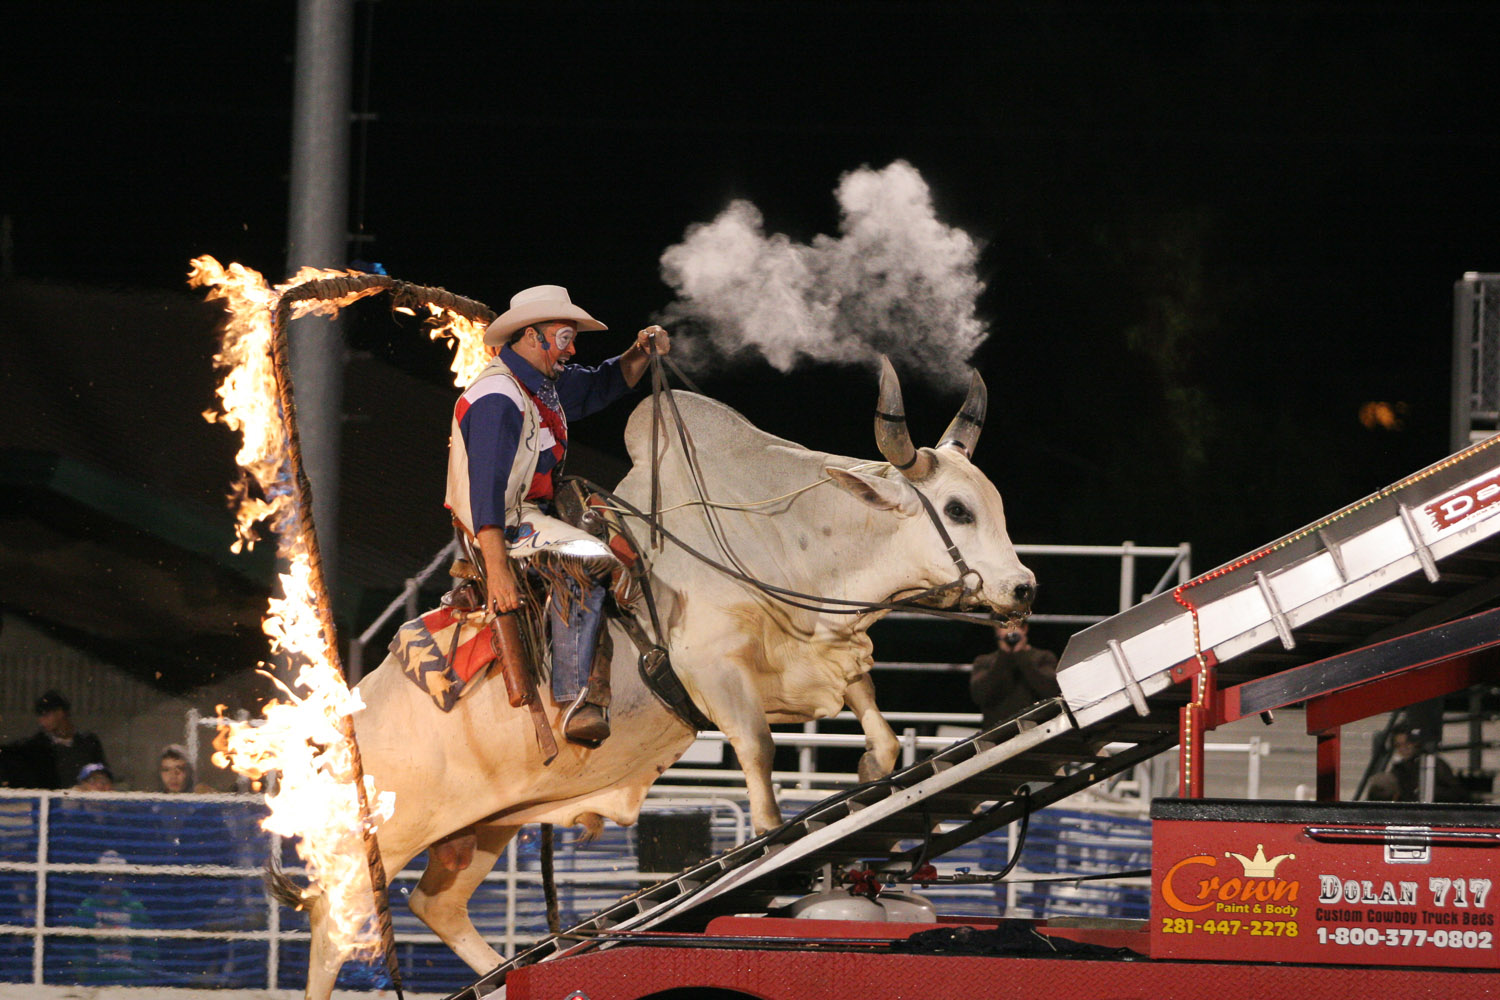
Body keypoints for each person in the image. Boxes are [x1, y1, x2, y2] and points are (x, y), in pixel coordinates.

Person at [446, 284, 670, 746]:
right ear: (532, 337)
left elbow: (600, 383)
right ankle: (577, 697)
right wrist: (498, 569)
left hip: (531, 507)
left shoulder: (543, 384)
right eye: (565, 337)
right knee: (587, 559)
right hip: (501, 522)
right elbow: (484, 492)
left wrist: (639, 352)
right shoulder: (496, 398)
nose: (572, 349)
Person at [1, 691, 109, 789]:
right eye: (40, 716)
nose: (41, 721)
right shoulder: (35, 747)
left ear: (60, 713)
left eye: (46, 715)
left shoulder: (89, 742)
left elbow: (101, 775)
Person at [969, 621, 1060, 730]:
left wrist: (1020, 654)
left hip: (1039, 730)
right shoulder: (984, 662)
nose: (1010, 631)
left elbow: (1051, 691)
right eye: (1004, 626)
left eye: (1014, 625)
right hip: (997, 732)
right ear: (996, 631)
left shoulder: (1044, 658)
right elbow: (979, 696)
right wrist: (1004, 656)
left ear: (1024, 628)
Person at [1366, 723, 1471, 803]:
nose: (1403, 749)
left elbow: (1458, 793)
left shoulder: (1433, 764)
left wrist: (1431, 792)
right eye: (1398, 745)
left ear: (1416, 742)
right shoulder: (1398, 769)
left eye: (1407, 744)